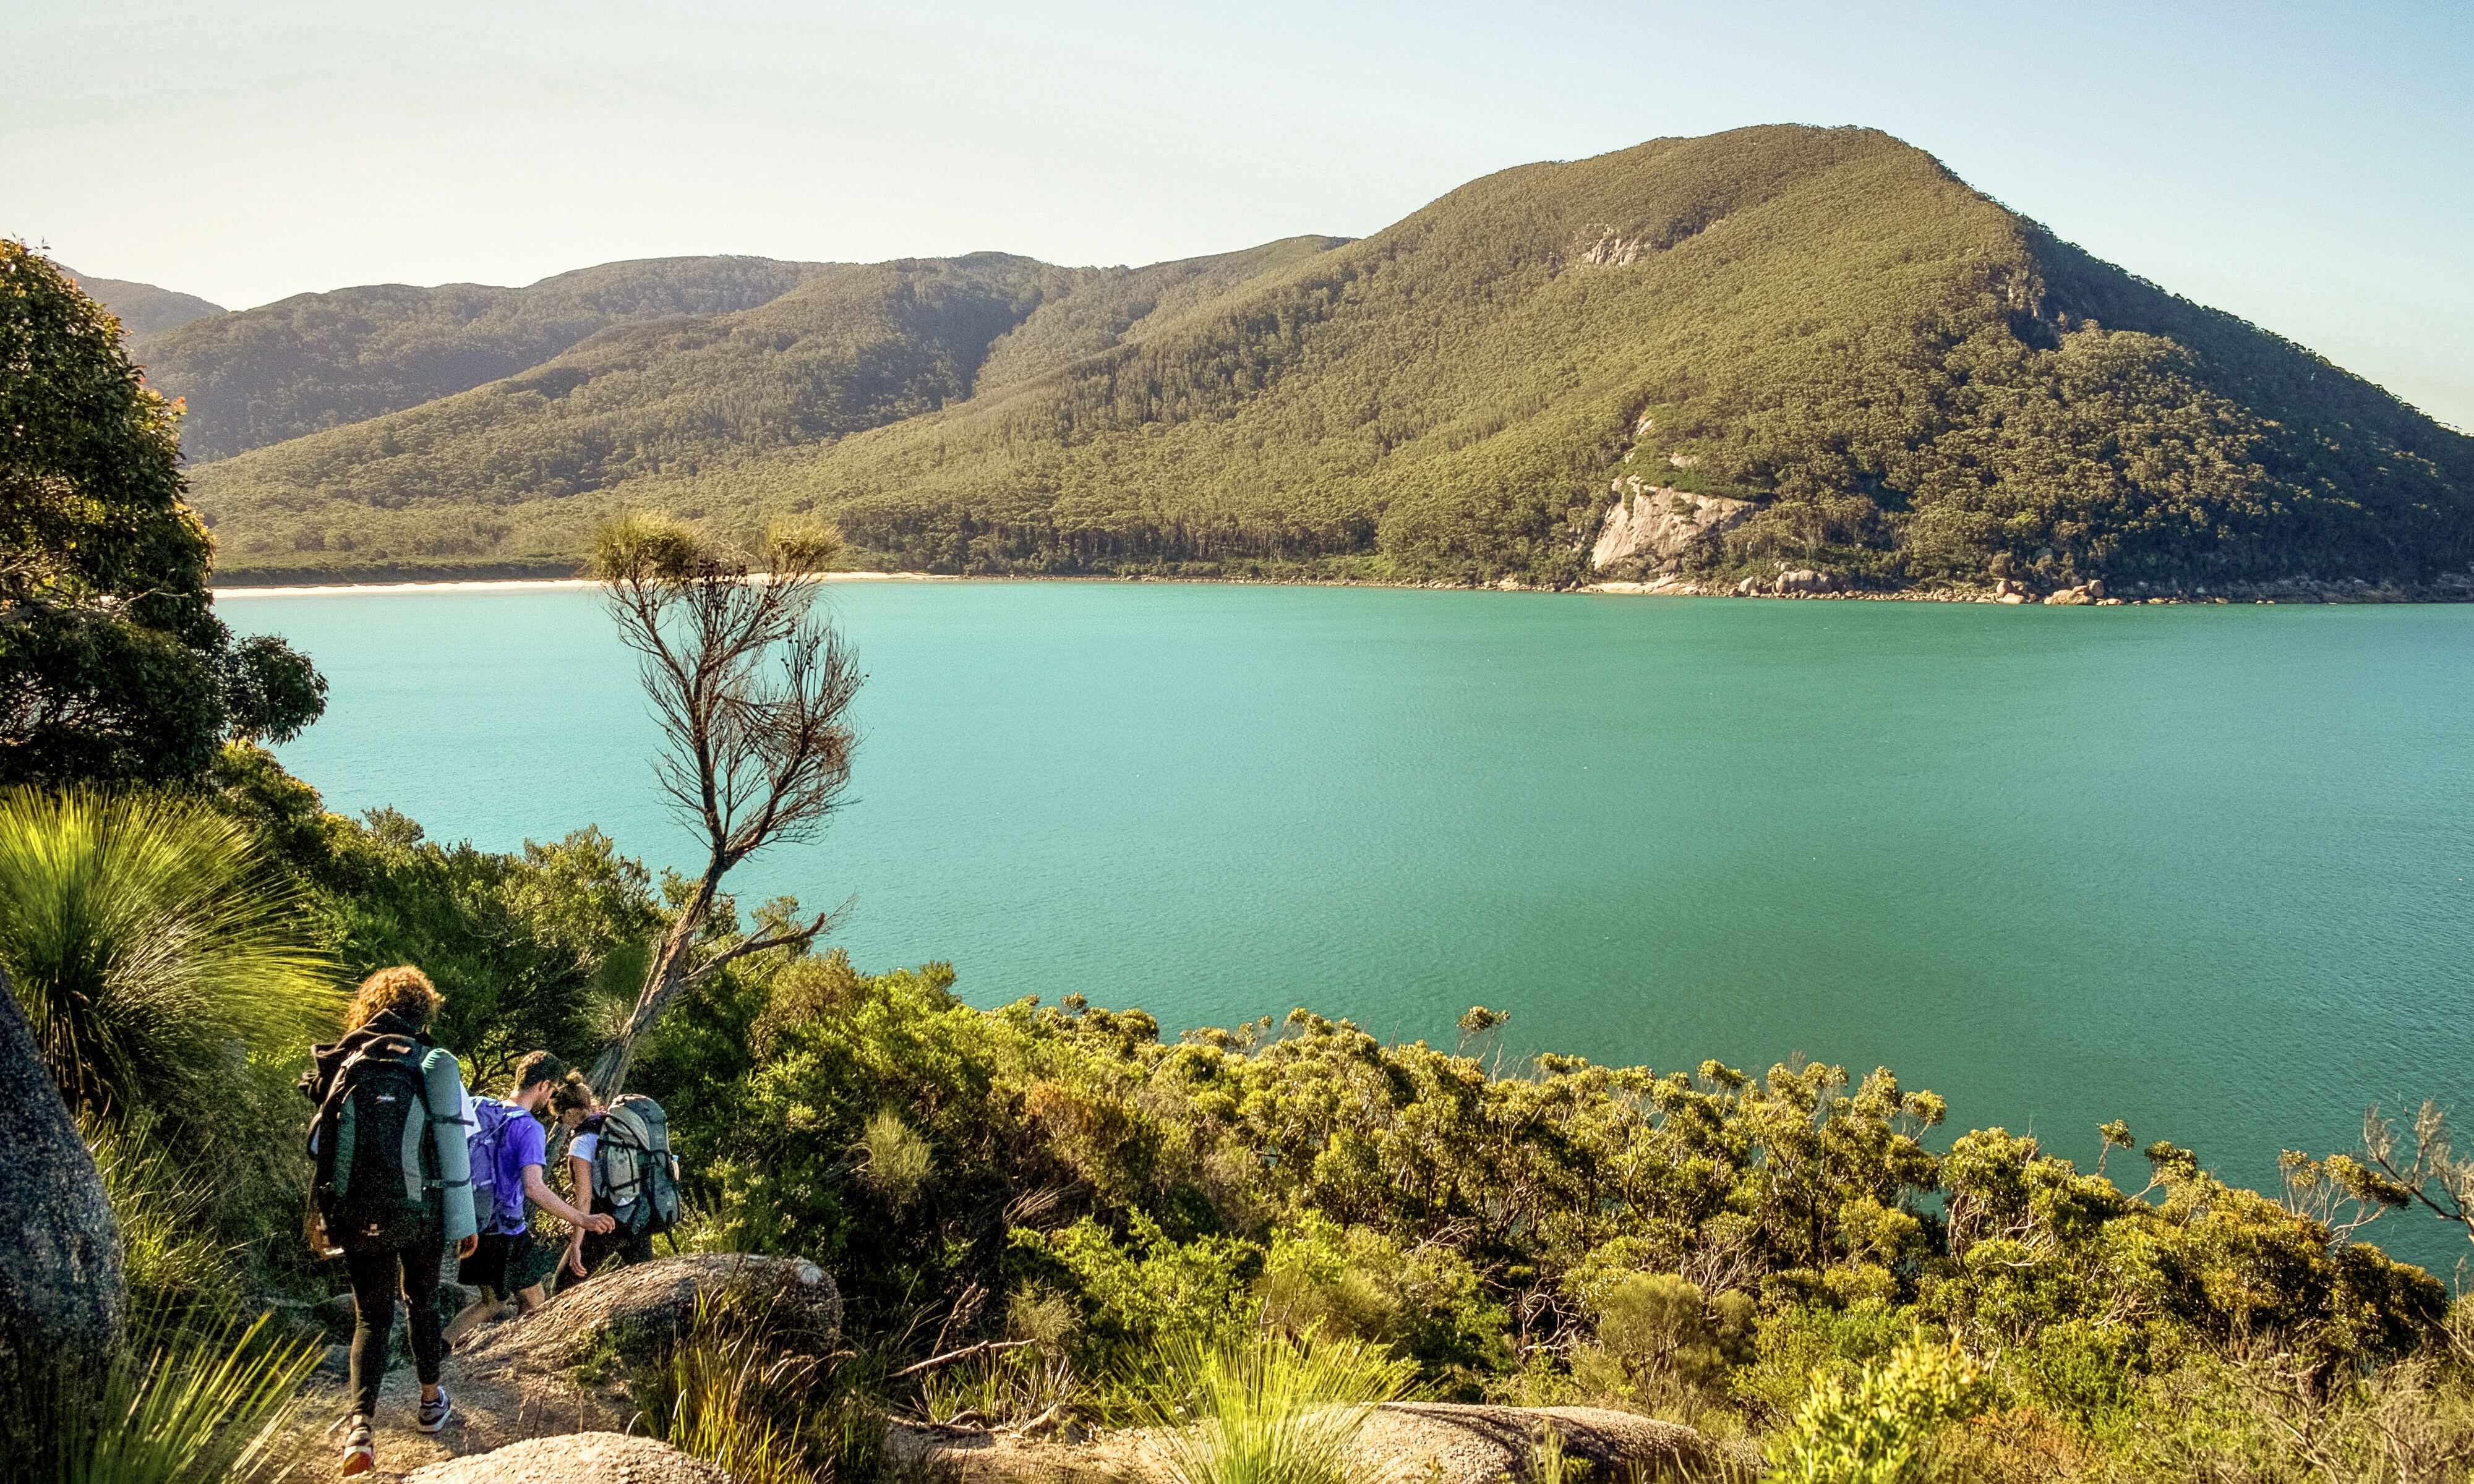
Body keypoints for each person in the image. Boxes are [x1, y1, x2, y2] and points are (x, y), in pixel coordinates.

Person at [302, 966, 476, 1478]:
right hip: (419, 1211)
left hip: (355, 1209)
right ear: (424, 1010)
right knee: (421, 1300)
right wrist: (464, 1222)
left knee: (370, 1317)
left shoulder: (343, 1059)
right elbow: (452, 1146)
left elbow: (321, 1146)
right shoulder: (434, 1061)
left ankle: (360, 1428)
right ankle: (429, 1402)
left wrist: (324, 1213)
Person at [443, 1052, 615, 1347]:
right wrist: (583, 1219)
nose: (550, 1098)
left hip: (473, 1222)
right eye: (551, 1090)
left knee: (493, 1301)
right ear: (543, 1085)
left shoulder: (478, 1106)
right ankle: (512, 1356)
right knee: (534, 1299)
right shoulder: (529, 1127)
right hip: (507, 1230)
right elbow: (534, 1188)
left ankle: (435, 1352)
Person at [550, 1072, 657, 1277]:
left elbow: (583, 1202)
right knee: (644, 1278)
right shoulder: (615, 1128)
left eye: (560, 1116)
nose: (560, 1122)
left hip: (606, 1221)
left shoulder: (581, 1143)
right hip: (635, 1213)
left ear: (571, 1112)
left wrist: (576, 1247)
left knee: (562, 1286)